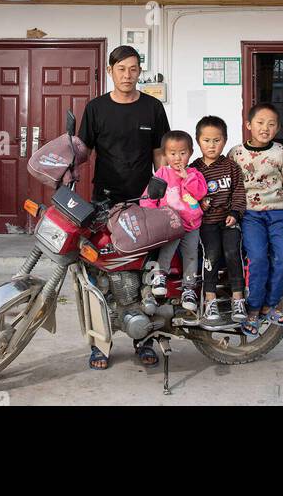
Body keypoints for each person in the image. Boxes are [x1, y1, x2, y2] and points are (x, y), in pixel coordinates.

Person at [77, 45, 169, 369]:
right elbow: (83, 151)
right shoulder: (96, 108)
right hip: (104, 202)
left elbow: (160, 154)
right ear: (110, 71)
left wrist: (164, 191)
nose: (127, 75)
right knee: (98, 274)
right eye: (121, 69)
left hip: (142, 203)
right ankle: (100, 344)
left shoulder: (153, 108)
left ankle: (145, 339)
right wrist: (65, 170)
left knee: (143, 273)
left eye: (133, 69)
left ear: (139, 71)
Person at [231, 103, 283, 335]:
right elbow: (231, 187)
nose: (265, 128)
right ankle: (253, 308)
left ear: (277, 128)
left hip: (279, 214)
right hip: (250, 215)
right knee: (258, 258)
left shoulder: (282, 152)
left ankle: (270, 304)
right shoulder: (236, 153)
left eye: (271, 124)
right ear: (248, 125)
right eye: (260, 123)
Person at [190, 115, 248, 327]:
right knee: (211, 255)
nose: (211, 145)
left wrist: (235, 212)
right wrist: (199, 204)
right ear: (198, 141)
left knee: (233, 253)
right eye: (206, 140)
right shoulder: (194, 169)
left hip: (228, 220)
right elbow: (187, 196)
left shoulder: (231, 167)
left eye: (217, 140)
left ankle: (238, 299)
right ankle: (210, 300)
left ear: (225, 140)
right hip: (207, 223)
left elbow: (239, 192)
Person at [145, 131, 208, 313]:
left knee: (191, 255)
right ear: (165, 154)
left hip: (191, 224)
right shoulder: (162, 173)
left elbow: (200, 193)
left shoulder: (194, 174)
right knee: (167, 249)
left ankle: (189, 288)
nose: (178, 158)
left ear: (191, 153)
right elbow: (150, 196)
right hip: (170, 223)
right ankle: (160, 275)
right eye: (172, 153)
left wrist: (186, 177)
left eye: (182, 153)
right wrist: (151, 214)